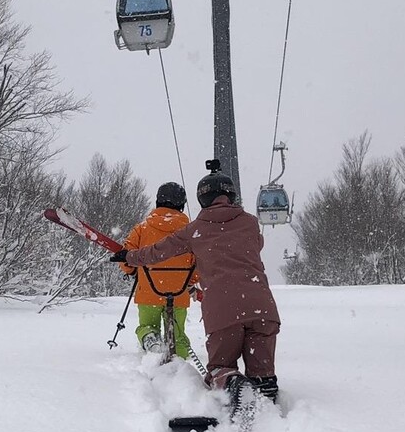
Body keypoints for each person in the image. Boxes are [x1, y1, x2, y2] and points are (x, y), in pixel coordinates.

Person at [111, 164, 280, 403]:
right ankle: (266, 398)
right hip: (262, 308)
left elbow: (157, 252)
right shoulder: (251, 223)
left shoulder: (195, 231)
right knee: (262, 371)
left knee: (222, 367)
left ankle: (228, 381)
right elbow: (256, 244)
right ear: (231, 196)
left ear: (202, 199)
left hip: (224, 311)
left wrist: (128, 257)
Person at [120, 182, 199, 358]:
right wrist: (190, 282)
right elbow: (198, 262)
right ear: (182, 204)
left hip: (149, 291)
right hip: (179, 293)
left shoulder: (142, 228)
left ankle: (150, 339)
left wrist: (132, 271)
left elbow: (126, 256)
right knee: (178, 335)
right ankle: (178, 363)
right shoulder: (191, 231)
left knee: (147, 325)